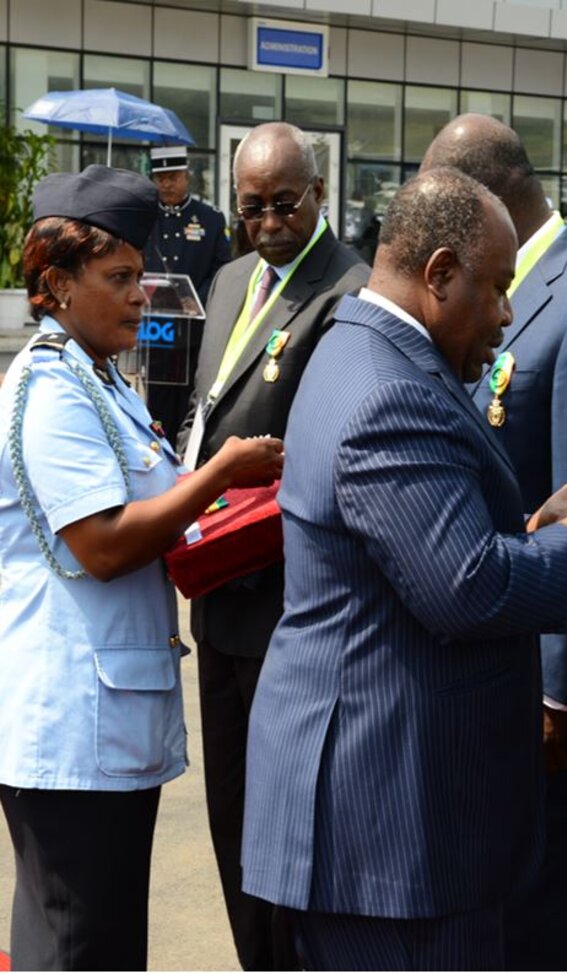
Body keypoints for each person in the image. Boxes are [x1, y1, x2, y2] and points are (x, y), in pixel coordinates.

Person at [240, 168, 567, 971]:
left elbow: (414, 545)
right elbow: (464, 589)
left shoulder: (363, 350)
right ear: (440, 273)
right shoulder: (388, 391)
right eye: (494, 287)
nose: (505, 313)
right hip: (391, 836)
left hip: (387, 814)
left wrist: (530, 528)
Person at [0, 165, 282, 970]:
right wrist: (221, 475)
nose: (139, 296)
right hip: (69, 735)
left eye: (141, 277)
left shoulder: (95, 379)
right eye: (119, 278)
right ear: (56, 283)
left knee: (105, 942)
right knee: (78, 944)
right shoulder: (52, 388)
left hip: (104, 725)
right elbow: (105, 544)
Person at [420, 114, 567, 972]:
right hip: (487, 656)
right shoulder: (500, 281)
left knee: (547, 905)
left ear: (491, 194)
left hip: (542, 688)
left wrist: (562, 692)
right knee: (558, 892)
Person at [176, 121, 370, 971]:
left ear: (319, 194)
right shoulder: (225, 281)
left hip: (288, 616)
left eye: (283, 204)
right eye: (250, 206)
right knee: (230, 822)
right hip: (218, 602)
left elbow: (323, 460)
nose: (266, 223)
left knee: (285, 839)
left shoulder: (349, 294)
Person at [142, 145, 233, 442]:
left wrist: (194, 299)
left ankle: (185, 447)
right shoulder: (143, 217)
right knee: (153, 394)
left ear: (187, 177)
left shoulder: (210, 219)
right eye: (161, 178)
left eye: (173, 177)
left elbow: (222, 269)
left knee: (188, 393)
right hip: (153, 327)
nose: (166, 184)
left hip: (194, 327)